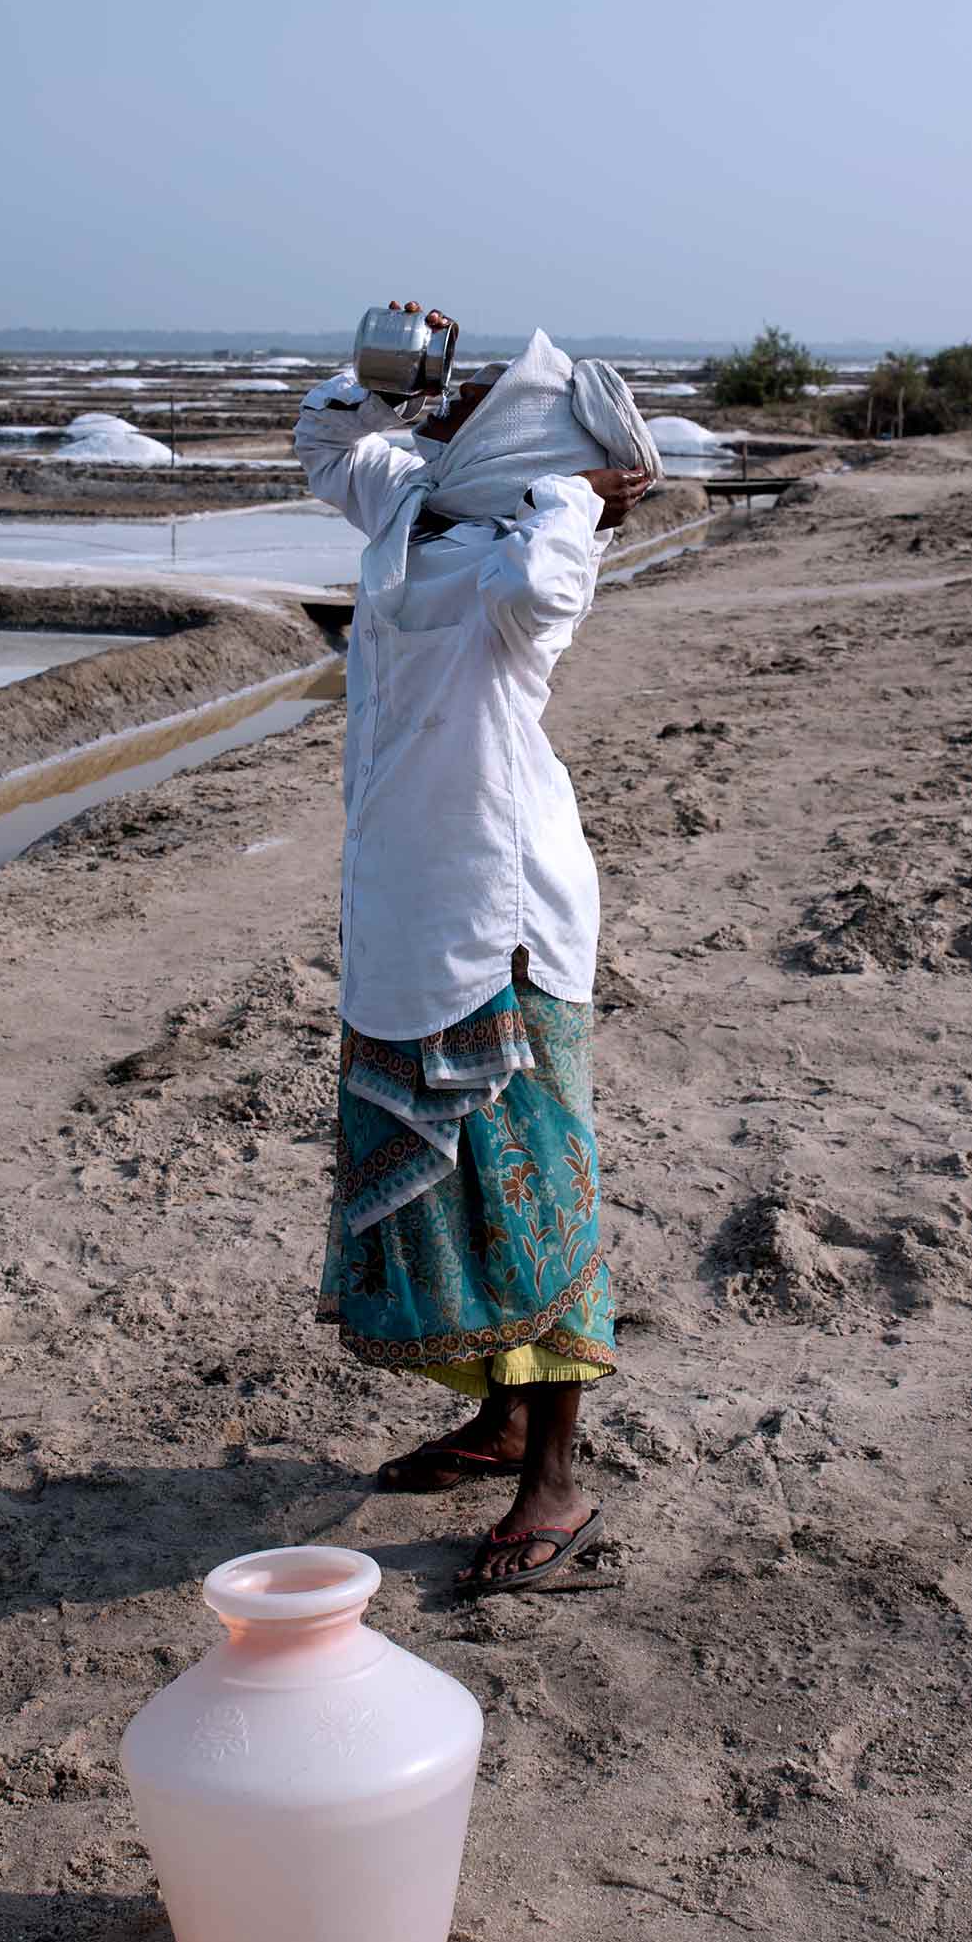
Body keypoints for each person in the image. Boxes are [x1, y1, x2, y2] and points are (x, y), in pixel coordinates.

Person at [294, 303, 658, 1593]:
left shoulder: (522, 567)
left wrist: (571, 501)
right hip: (400, 903)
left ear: (518, 457)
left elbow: (547, 580)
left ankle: (559, 1474)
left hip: (498, 920)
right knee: (444, 1179)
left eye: (480, 403)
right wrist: (396, 374)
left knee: (527, 1184)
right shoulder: (412, 521)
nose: (451, 414)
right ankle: (502, 1418)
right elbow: (329, 438)